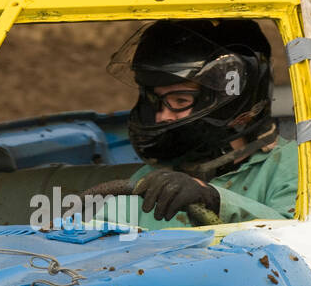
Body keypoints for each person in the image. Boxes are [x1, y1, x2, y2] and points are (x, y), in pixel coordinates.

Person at [105, 19, 299, 228]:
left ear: (229, 104)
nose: (162, 117)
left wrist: (213, 199)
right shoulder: (153, 177)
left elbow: (304, 241)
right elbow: (99, 238)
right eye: (156, 102)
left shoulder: (293, 167)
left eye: (180, 101)